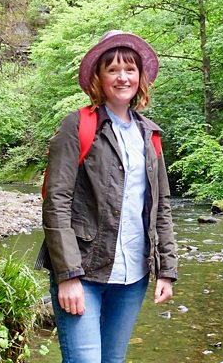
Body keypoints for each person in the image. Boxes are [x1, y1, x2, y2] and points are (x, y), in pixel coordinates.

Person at [36, 30, 178, 362]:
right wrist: (67, 275)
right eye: (112, 69)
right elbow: (56, 201)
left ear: (140, 76)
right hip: (83, 272)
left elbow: (161, 206)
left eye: (130, 69)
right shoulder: (77, 126)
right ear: (99, 77)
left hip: (133, 276)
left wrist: (166, 270)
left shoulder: (150, 134)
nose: (122, 77)